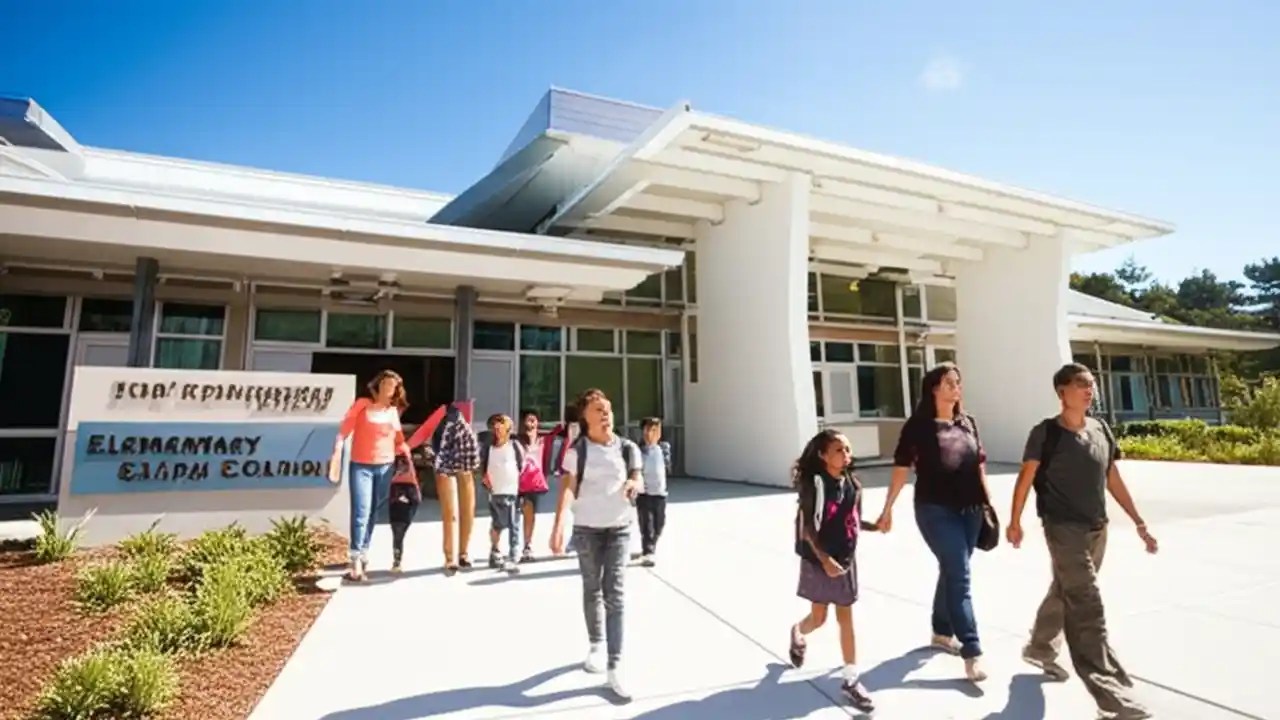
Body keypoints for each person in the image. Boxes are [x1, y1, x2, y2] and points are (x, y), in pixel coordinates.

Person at [1007, 363, 1158, 720]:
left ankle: (1040, 647)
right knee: (1087, 605)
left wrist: (1138, 521)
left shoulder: (1101, 428)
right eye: (1081, 385)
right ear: (1062, 392)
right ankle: (1110, 696)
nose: (1089, 390)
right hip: (1062, 528)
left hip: (1096, 527)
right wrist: (1014, 521)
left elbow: (1112, 478)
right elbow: (1025, 478)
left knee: (1066, 589)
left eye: (1092, 384)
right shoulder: (1046, 433)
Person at [876, 362, 993, 683]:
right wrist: (888, 508)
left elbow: (978, 462)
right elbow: (901, 467)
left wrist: (988, 502)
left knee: (953, 570)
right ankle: (972, 650)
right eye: (949, 383)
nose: (957, 388)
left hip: (970, 509)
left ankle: (942, 632)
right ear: (934, 389)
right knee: (960, 575)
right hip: (935, 509)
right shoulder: (918, 427)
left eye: (958, 382)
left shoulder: (968, 423)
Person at [550, 388, 642, 700]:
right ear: (584, 417)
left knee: (614, 593)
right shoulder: (579, 451)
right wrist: (559, 525)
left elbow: (637, 476)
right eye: (598, 409)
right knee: (592, 588)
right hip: (587, 530)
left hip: (619, 528)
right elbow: (567, 490)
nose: (606, 414)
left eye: (608, 408)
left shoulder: (628, 448)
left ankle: (615, 668)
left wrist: (633, 483)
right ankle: (596, 644)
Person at [787, 429, 878, 713]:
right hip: (819, 559)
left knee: (845, 618)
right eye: (838, 450)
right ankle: (797, 632)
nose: (845, 454)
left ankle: (850, 679)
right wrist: (824, 558)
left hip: (845, 560)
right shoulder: (814, 484)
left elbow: (851, 519)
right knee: (819, 617)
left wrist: (874, 525)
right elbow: (807, 527)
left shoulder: (854, 485)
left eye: (848, 449)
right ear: (823, 455)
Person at [329, 370, 411, 582]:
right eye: (385, 384)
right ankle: (355, 559)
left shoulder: (393, 412)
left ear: (396, 392)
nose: (388, 389)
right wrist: (338, 446)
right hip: (361, 466)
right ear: (377, 386)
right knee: (361, 511)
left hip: (385, 466)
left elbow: (399, 439)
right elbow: (345, 427)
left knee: (373, 511)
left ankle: (364, 551)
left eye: (392, 387)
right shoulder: (362, 404)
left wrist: (408, 451)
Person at [432, 404, 480, 576]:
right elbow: (434, 445)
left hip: (464, 468)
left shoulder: (465, 423)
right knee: (450, 513)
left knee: (466, 512)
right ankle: (451, 557)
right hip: (446, 468)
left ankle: (462, 554)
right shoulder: (441, 422)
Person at [480, 413, 523, 575]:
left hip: (511, 490)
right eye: (494, 425)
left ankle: (513, 552)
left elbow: (521, 464)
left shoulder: (514, 445)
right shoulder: (488, 447)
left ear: (508, 428)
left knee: (513, 522)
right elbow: (484, 467)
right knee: (497, 523)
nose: (497, 428)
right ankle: (495, 551)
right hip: (495, 491)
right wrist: (485, 480)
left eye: (501, 425)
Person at [635, 417, 672, 566]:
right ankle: (648, 551)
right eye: (648, 430)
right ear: (643, 432)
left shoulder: (664, 448)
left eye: (656, 430)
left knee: (659, 524)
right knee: (647, 524)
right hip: (644, 494)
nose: (652, 434)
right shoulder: (638, 451)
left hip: (660, 494)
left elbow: (666, 467)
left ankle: (651, 545)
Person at [515, 409, 548, 562]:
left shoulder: (543, 441)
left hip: (534, 483)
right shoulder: (516, 441)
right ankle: (512, 545)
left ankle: (527, 545)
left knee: (530, 514)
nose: (532, 423)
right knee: (513, 515)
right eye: (528, 420)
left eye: (534, 420)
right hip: (517, 482)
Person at [388, 450, 423, 574]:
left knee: (398, 530)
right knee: (399, 529)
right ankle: (397, 559)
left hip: (402, 488)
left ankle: (397, 559)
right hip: (404, 488)